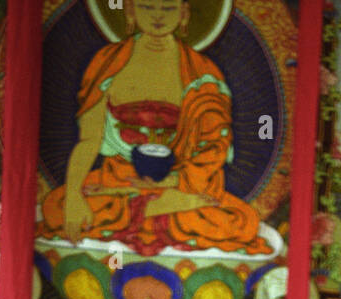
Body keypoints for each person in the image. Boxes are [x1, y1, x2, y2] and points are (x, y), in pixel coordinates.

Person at [38, 0, 271, 255]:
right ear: (130, 10)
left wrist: (175, 182)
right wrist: (73, 196)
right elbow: (88, 141)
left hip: (179, 184)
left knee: (240, 222)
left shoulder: (202, 71)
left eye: (168, 8)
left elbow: (214, 144)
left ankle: (153, 209)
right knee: (56, 207)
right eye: (147, 7)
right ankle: (153, 210)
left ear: (184, 13)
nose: (157, 16)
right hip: (120, 180)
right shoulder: (107, 62)